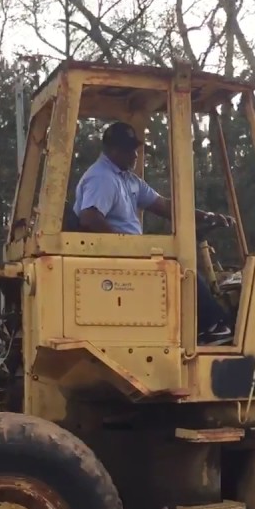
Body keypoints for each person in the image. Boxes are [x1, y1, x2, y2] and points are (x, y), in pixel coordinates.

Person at [71, 121, 235, 345]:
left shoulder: (127, 178)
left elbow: (165, 206)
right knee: (181, 268)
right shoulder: (103, 178)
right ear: (112, 150)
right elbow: (89, 217)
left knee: (177, 263)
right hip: (117, 258)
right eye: (129, 149)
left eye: (136, 149)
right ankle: (213, 326)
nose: (135, 155)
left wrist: (205, 216)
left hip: (128, 253)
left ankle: (199, 328)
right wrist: (122, 246)